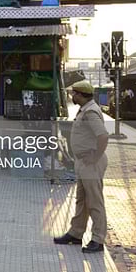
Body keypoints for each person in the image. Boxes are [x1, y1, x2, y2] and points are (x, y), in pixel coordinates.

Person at [54, 79, 109, 253]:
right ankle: (76, 233)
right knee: (82, 200)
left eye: (74, 93)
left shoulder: (90, 112)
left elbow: (103, 136)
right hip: (83, 162)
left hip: (91, 163)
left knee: (94, 201)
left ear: (80, 94)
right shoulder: (85, 109)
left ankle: (98, 239)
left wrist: (95, 157)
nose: (72, 96)